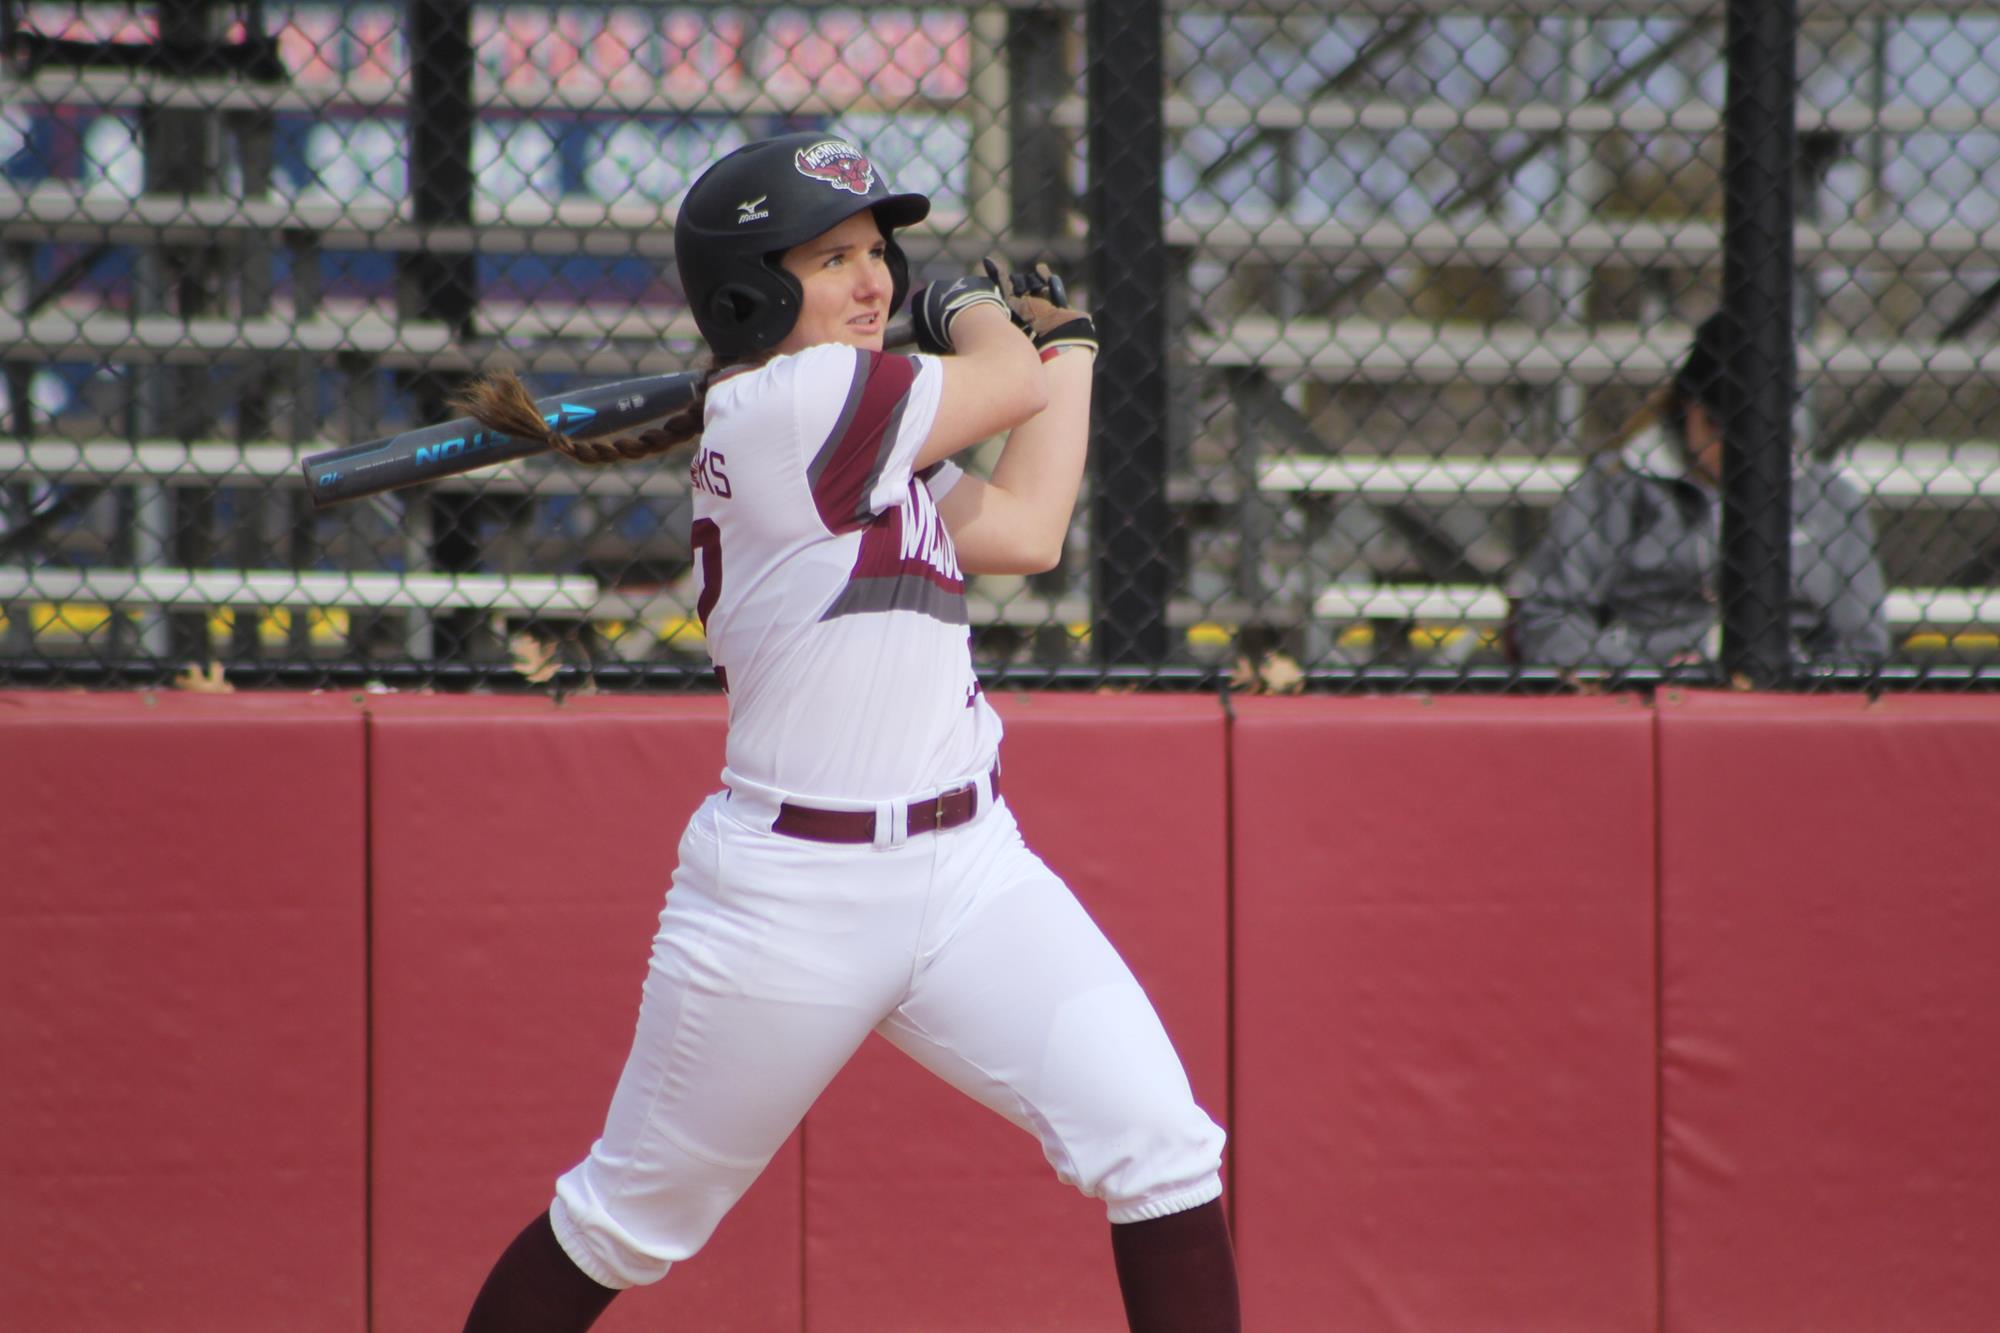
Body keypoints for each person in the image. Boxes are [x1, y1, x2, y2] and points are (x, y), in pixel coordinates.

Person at [457, 133, 1240, 1332]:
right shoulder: (798, 405)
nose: (873, 281)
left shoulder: (848, 422)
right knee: (624, 1221)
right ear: (750, 292)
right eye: (831, 260)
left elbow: (1026, 526)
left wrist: (1067, 347)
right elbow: (1001, 385)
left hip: (970, 871)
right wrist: (968, 308)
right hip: (789, 898)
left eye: (878, 253)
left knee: (1159, 1144)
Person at [1508, 311, 1890, 669]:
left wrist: (1798, 680)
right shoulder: (1616, 485)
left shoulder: (1828, 499)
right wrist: (1643, 674)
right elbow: (1548, 616)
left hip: (1788, 693)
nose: (1737, 445)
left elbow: (1862, 644)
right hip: (1647, 690)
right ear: (1687, 406)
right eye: (1717, 424)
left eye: (1757, 427)